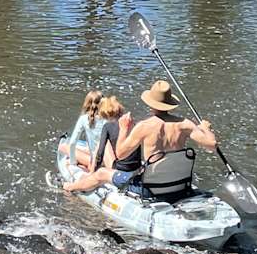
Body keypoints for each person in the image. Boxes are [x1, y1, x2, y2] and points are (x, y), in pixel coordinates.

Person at [63, 79, 217, 196]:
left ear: (151, 104)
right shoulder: (186, 124)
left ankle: (70, 187)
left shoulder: (145, 126)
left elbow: (121, 154)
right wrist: (205, 129)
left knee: (102, 173)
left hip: (150, 189)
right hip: (179, 185)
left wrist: (123, 129)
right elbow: (212, 145)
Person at [64, 90, 103, 171]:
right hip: (110, 159)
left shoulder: (84, 119)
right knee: (88, 149)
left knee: (64, 147)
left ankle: (82, 168)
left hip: (97, 161)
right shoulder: (109, 119)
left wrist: (72, 162)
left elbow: (72, 143)